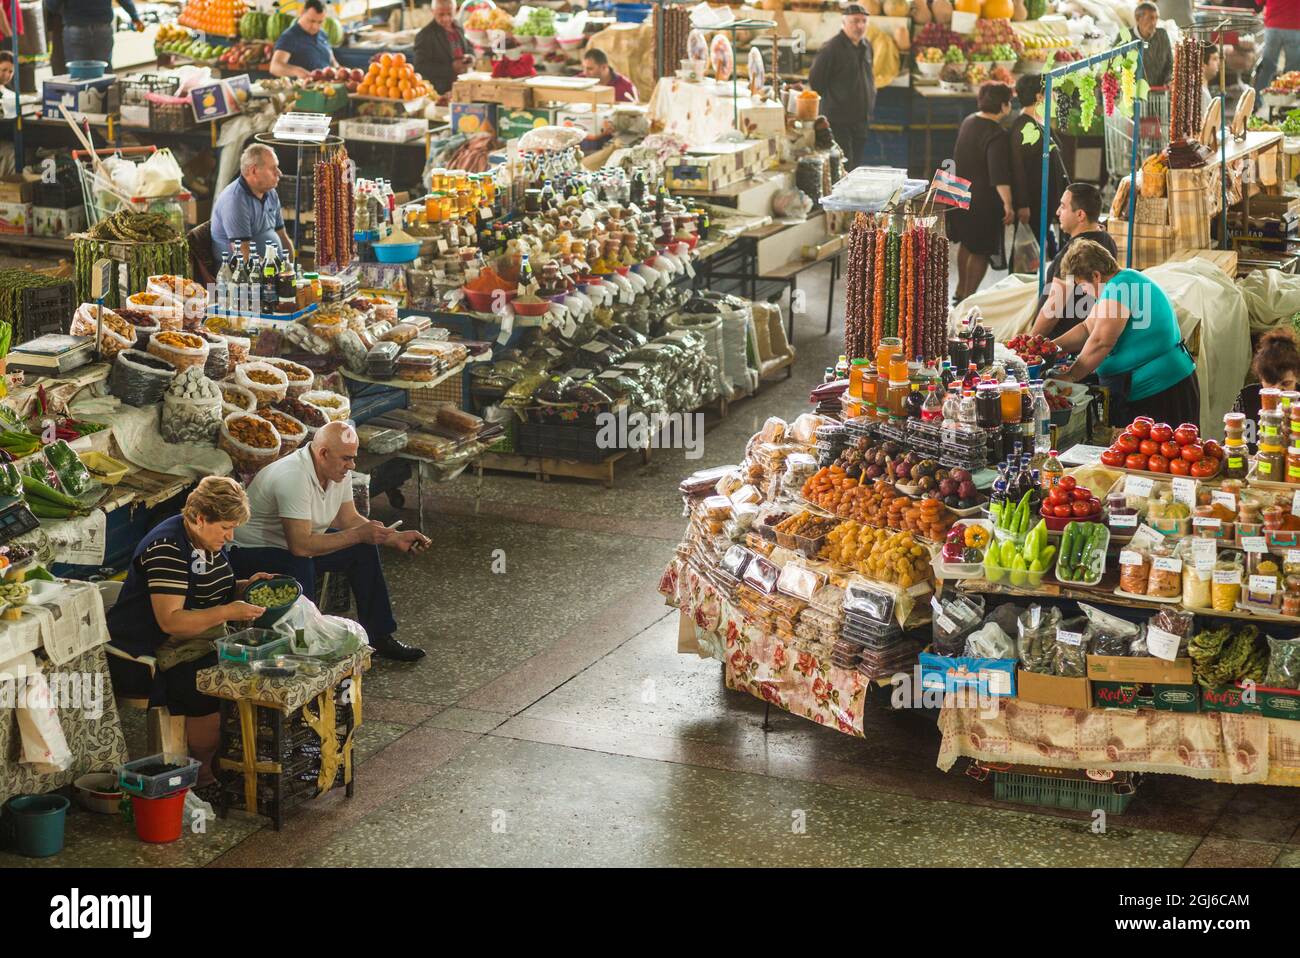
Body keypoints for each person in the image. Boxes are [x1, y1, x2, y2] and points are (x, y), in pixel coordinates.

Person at [106, 478, 277, 791]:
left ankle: (225, 757)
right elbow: (172, 622)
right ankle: (203, 774)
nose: (231, 535)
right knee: (204, 685)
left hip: (202, 636)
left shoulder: (204, 540)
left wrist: (246, 586)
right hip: (153, 648)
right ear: (200, 517)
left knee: (250, 674)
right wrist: (228, 612)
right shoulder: (168, 550)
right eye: (226, 527)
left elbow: (213, 588)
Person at [230, 421, 431, 662]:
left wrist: (392, 537)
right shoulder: (293, 476)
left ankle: (380, 636)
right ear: (323, 453)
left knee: (363, 549)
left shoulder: (336, 471)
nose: (352, 465)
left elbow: (348, 519)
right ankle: (305, 646)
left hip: (291, 545)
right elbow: (301, 545)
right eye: (347, 459)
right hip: (249, 551)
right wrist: (359, 534)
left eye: (353, 458)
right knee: (301, 563)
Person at [1050, 239, 1199, 428]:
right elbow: (1087, 329)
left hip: (1163, 392)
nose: (1083, 292)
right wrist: (1051, 348)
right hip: (1156, 390)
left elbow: (1101, 341)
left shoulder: (1121, 286)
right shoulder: (1120, 284)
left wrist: (1071, 376)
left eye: (1082, 286)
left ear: (1096, 276)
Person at [948, 82, 1014, 303]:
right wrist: (1008, 203)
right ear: (1004, 105)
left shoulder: (969, 121)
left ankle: (959, 292)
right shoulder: (996, 134)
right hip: (983, 202)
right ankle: (969, 297)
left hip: (960, 194)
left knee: (967, 244)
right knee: (982, 250)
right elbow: (999, 175)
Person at [1029, 183, 1119, 338]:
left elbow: (1053, 309)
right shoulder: (1107, 240)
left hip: (1062, 342)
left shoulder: (1074, 252)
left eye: (1063, 207)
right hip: (1086, 333)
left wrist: (1029, 343)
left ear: (1080, 215)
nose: (1057, 212)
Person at [808, 3, 876, 171]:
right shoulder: (831, 49)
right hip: (838, 122)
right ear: (844, 23)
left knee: (856, 167)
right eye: (854, 21)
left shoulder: (866, 46)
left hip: (861, 120)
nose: (859, 26)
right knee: (843, 167)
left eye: (863, 21)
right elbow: (816, 83)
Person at [1009, 73, 1067, 260]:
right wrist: (1023, 204)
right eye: (1050, 92)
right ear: (1039, 96)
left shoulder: (1038, 122)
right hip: (1034, 203)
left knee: (1043, 250)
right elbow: (1018, 168)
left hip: (1046, 201)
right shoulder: (1023, 127)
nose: (1055, 97)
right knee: (1031, 256)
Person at [210, 143, 293, 266]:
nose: (279, 173)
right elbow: (244, 254)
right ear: (253, 170)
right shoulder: (235, 200)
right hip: (241, 276)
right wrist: (274, 275)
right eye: (273, 168)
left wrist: (291, 268)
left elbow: (282, 235)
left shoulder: (271, 193)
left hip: (273, 271)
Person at [43, 0, 143, 68]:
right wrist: (134, 17)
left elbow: (53, 5)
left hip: (76, 26)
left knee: (79, 74)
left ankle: (84, 98)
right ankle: (102, 98)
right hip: (102, 27)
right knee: (103, 72)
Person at [1235, 329, 1300, 423]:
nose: (1278, 391)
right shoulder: (1246, 398)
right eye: (1270, 383)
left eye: (1286, 384)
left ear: (1296, 376)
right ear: (1261, 378)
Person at [414, 0, 472, 97]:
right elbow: (420, 67)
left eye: (450, 13)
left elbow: (469, 47)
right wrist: (451, 67)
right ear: (433, 12)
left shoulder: (458, 27)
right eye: (441, 14)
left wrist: (471, 57)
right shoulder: (425, 35)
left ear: (456, 11)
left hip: (462, 86)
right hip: (441, 91)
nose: (446, 18)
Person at [269, 0, 337, 79]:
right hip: (304, 87)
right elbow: (274, 67)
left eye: (320, 22)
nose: (315, 26)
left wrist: (341, 70)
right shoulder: (290, 36)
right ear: (301, 13)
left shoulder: (323, 34)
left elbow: (333, 62)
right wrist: (296, 71)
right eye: (312, 21)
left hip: (327, 85)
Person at [1253, 0, 1300, 93]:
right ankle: (1287, 102)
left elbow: (1259, 2)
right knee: (1292, 69)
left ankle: (1257, 99)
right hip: (1294, 26)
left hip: (1273, 26)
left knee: (1268, 66)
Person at [1135, 2, 1174, 88]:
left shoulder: (1162, 35)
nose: (1154, 22)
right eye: (1151, 18)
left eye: (1156, 18)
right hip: (1134, 94)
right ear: (1138, 19)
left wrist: (1167, 81)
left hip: (1159, 92)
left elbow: (1170, 63)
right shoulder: (1126, 37)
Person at [1201, 43, 1220, 116]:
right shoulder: (1202, 93)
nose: (1218, 63)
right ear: (1203, 64)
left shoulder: (1204, 90)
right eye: (1214, 59)